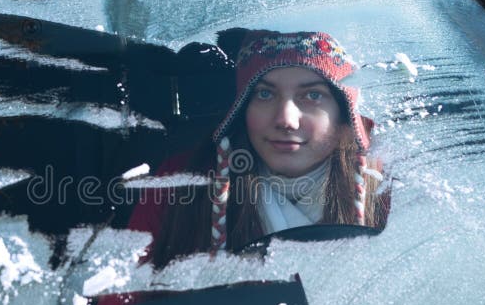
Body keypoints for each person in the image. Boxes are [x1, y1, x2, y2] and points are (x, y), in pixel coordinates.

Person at [128, 30, 389, 269]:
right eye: (265, 94)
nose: (286, 119)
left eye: (312, 95)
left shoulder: (390, 189)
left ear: (345, 116)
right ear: (242, 108)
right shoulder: (180, 184)